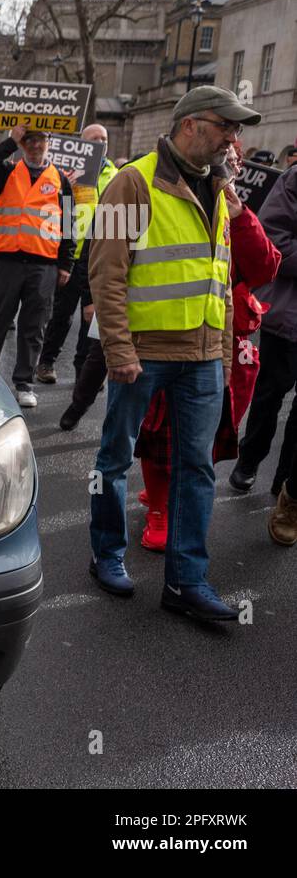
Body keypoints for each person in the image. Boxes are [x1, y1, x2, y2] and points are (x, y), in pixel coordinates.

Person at [86, 85, 260, 621]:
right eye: (225, 127)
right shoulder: (129, 183)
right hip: (142, 354)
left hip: (204, 356)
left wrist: (224, 361)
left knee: (196, 468)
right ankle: (106, 554)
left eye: (236, 130)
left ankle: (186, 581)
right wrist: (118, 349)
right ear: (190, 126)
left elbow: (220, 278)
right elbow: (105, 272)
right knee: (115, 459)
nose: (234, 139)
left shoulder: (221, 192)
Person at [133, 143, 279, 550]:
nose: (229, 162)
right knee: (158, 428)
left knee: (207, 431)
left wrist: (240, 215)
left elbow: (266, 267)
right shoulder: (150, 186)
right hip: (166, 332)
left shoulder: (233, 205)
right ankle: (159, 508)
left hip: (222, 340)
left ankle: (171, 494)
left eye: (234, 158)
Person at [0, 123, 77, 408]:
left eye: (39, 139)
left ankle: (24, 383)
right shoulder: (7, 172)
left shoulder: (60, 180)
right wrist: (9, 142)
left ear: (49, 142)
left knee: (34, 326)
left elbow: (69, 224)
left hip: (44, 266)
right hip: (7, 261)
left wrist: (66, 264)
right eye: (28, 140)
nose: (34, 145)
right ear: (22, 143)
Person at [229, 154, 297, 494]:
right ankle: (249, 460)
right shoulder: (293, 180)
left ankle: (286, 483)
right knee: (269, 396)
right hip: (288, 318)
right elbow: (274, 241)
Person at [36, 123, 119, 385]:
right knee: (61, 314)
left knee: (92, 317)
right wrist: (65, 186)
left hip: (100, 257)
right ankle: (46, 362)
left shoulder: (117, 175)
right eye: (94, 139)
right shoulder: (64, 173)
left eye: (104, 138)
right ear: (82, 143)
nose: (100, 142)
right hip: (72, 254)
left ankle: (83, 368)